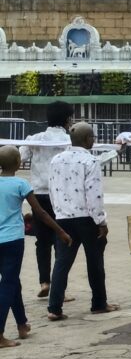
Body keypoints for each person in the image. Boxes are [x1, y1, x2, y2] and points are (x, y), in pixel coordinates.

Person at [0, 146, 69, 347]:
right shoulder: (21, 184)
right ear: (18, 163)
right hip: (12, 240)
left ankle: (22, 324)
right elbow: (41, 213)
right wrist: (60, 231)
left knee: (12, 282)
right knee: (7, 285)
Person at [45, 123, 114, 320]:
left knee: (62, 262)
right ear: (86, 140)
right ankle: (99, 303)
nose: (93, 140)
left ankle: (54, 307)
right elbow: (94, 194)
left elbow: (52, 189)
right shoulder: (89, 161)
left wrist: (58, 212)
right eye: (92, 137)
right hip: (87, 218)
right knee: (95, 260)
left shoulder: (55, 160)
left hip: (63, 217)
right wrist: (101, 220)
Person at [19, 100, 73, 302]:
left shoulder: (35, 138)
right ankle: (60, 290)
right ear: (68, 119)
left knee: (42, 240)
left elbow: (18, 157)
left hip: (38, 195)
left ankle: (45, 282)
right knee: (62, 238)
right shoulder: (69, 141)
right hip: (61, 195)